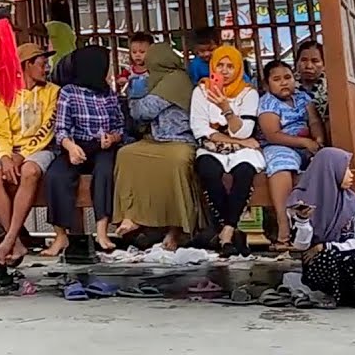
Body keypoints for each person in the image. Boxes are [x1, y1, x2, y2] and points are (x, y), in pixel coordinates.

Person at [112, 41, 199, 252]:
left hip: (179, 140)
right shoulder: (157, 80)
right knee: (126, 155)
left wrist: (134, 96)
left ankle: (176, 228)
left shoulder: (175, 80)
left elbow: (144, 111)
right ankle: (132, 215)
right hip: (156, 140)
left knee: (174, 163)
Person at [43, 45, 124, 256]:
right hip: (75, 145)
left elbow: (120, 126)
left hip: (102, 148)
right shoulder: (68, 92)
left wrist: (112, 137)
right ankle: (61, 236)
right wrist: (70, 147)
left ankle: (102, 231)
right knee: (55, 175)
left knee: (105, 172)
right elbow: (61, 128)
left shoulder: (109, 94)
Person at [0, 43, 59, 265]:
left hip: (39, 150)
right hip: (10, 151)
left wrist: (22, 155)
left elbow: (48, 129)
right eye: (42, 64)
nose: (46, 68)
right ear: (27, 65)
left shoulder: (53, 92)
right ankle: (15, 241)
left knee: (29, 171)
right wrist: (6, 157)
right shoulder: (4, 93)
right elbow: (1, 130)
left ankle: (7, 241)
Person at [291, 148, 355, 310]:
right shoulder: (301, 200)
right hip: (323, 270)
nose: (351, 174)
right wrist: (303, 221)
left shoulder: (352, 202)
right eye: (346, 169)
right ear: (330, 170)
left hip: (351, 266)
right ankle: (330, 294)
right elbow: (300, 246)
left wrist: (328, 245)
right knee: (325, 257)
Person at [191, 44, 264, 255]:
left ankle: (226, 231)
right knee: (208, 171)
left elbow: (244, 130)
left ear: (239, 68)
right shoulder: (201, 90)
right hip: (212, 148)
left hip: (242, 152)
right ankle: (230, 232)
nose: (224, 70)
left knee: (244, 172)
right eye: (220, 65)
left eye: (230, 66)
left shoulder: (248, 93)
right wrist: (240, 140)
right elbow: (200, 129)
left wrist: (226, 109)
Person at [259, 59, 326, 247]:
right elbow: (272, 134)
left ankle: (319, 228)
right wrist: (304, 141)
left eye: (288, 77)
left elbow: (313, 121)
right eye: (277, 79)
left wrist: (318, 139)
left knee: (327, 162)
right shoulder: (267, 103)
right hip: (280, 145)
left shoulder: (303, 98)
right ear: (266, 84)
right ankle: (284, 227)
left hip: (307, 146)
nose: (284, 82)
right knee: (282, 165)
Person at [296, 40, 328, 126]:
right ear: (297, 62)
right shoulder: (287, 86)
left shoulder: (332, 88)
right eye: (304, 60)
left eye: (315, 61)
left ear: (324, 65)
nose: (308, 66)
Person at [117, 31, 154, 99]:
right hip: (132, 100)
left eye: (142, 52)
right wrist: (122, 80)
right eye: (134, 52)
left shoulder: (153, 69)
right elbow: (120, 79)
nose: (137, 55)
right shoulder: (129, 70)